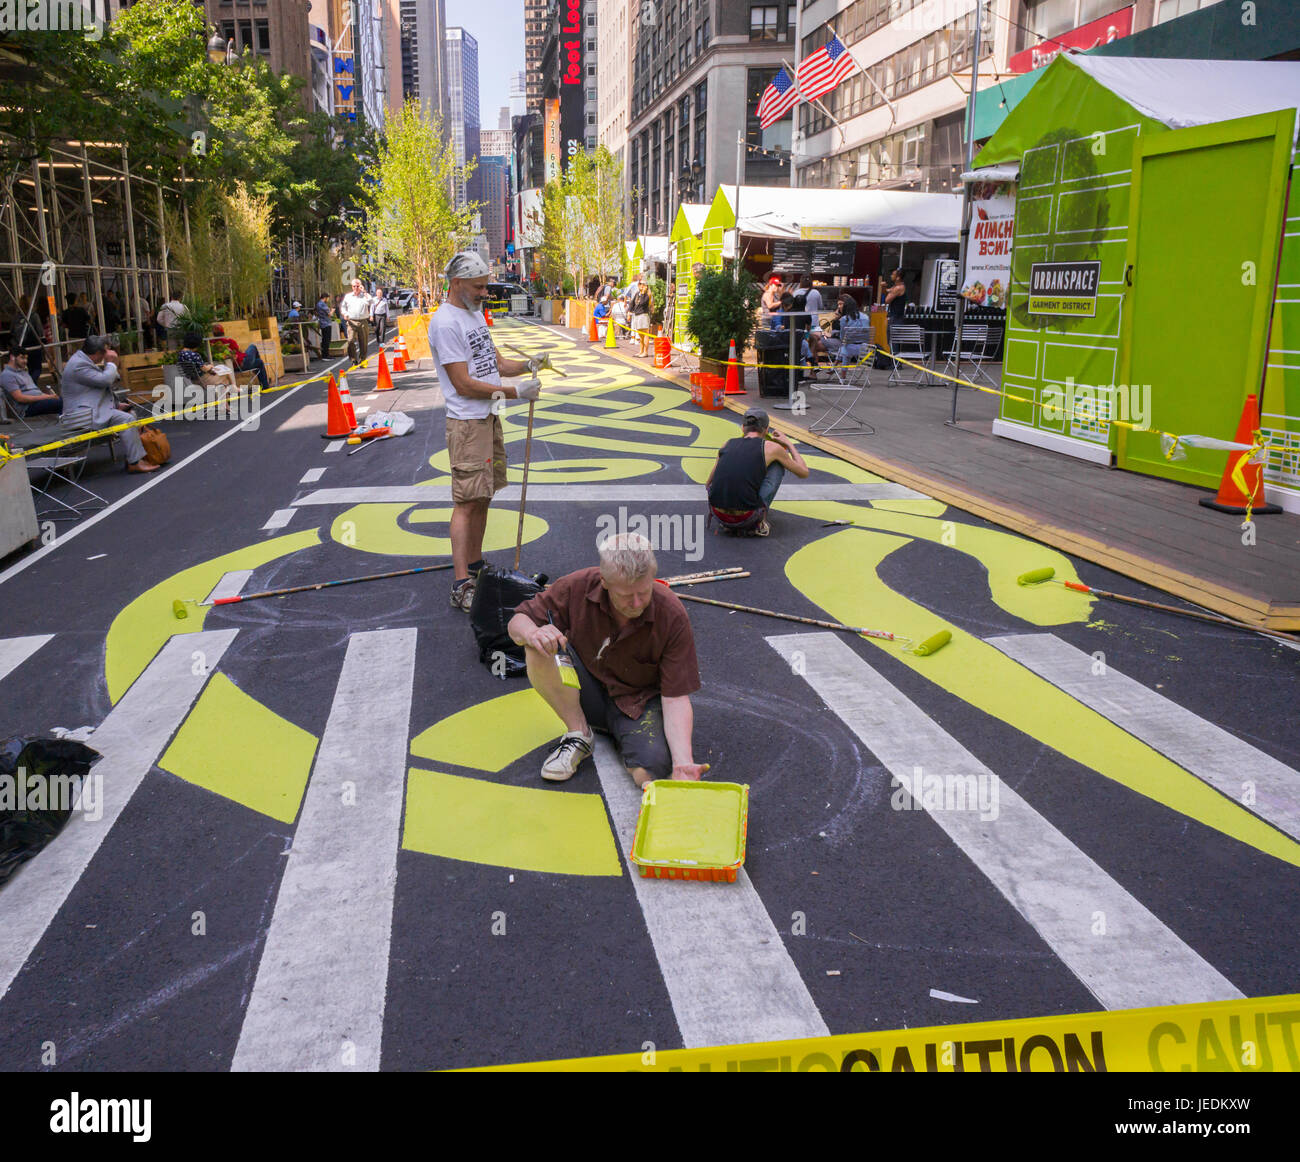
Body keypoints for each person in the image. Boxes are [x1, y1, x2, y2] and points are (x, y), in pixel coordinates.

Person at [507, 532, 706, 786]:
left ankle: (624, 736)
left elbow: (675, 696)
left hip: (637, 702)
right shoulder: (577, 586)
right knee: (538, 646)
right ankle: (579, 733)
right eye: (625, 596)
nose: (636, 603)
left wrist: (683, 763)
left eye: (643, 592)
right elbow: (517, 621)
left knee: (651, 773)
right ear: (605, 582)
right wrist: (533, 632)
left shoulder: (671, 613)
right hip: (583, 688)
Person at [427, 250, 540, 612]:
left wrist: (527, 365)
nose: (483, 292)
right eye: (477, 287)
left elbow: (495, 364)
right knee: (466, 502)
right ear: (456, 283)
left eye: (485, 286)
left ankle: (475, 566)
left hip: (487, 417)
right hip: (467, 422)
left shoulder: (474, 317)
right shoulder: (446, 322)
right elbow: (461, 383)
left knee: (484, 495)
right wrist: (514, 392)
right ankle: (462, 583)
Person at [60, 335, 158, 473]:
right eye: (105, 351)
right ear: (98, 353)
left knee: (130, 415)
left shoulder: (82, 360)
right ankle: (135, 461)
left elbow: (97, 387)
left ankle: (135, 458)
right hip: (83, 417)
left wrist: (116, 404)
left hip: (92, 412)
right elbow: (104, 381)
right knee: (128, 419)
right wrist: (111, 364)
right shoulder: (78, 365)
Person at [706, 407, 809, 537]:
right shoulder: (772, 448)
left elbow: (708, 483)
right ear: (766, 430)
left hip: (719, 515)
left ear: (743, 428)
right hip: (746, 518)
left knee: (742, 466)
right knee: (777, 464)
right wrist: (788, 444)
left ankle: (731, 514)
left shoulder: (727, 444)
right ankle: (759, 521)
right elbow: (803, 473)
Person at [1, 349, 61, 417]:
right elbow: (20, 398)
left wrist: (51, 396)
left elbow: (35, 391)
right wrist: (47, 397)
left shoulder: (23, 371)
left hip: (38, 402)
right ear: (12, 357)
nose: (25, 361)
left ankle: (67, 422)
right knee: (62, 403)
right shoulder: (7, 375)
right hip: (27, 407)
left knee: (66, 400)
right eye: (22, 358)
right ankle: (68, 423)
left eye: (26, 358)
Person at [209, 324, 270, 391]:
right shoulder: (229, 342)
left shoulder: (211, 345)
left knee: (259, 362)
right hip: (243, 363)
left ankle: (265, 386)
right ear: (223, 332)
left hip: (234, 368)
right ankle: (265, 386)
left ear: (213, 334)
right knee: (252, 346)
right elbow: (238, 351)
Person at [341, 278, 374, 363]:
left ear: (361, 286)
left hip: (363, 321)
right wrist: (345, 313)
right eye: (354, 286)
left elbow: (371, 302)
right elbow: (343, 307)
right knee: (350, 340)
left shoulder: (364, 295)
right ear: (352, 287)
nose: (356, 287)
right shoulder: (348, 296)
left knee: (363, 342)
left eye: (357, 286)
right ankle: (353, 359)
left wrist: (365, 292)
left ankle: (363, 359)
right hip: (351, 321)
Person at [629, 276, 652, 357]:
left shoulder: (647, 295)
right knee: (640, 335)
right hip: (637, 315)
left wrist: (643, 293)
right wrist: (629, 311)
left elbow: (642, 303)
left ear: (646, 286)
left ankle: (645, 352)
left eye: (642, 284)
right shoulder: (637, 294)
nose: (641, 286)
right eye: (640, 284)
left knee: (645, 334)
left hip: (643, 315)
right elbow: (632, 303)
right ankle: (641, 351)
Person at [314, 294, 333, 358]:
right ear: (325, 298)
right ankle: (325, 355)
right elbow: (329, 314)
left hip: (323, 323)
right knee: (326, 339)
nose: (328, 300)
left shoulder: (319, 304)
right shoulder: (322, 304)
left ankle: (325, 354)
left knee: (325, 339)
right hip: (326, 323)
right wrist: (332, 311)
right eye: (327, 298)